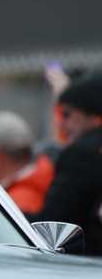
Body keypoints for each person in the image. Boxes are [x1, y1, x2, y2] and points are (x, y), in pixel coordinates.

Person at [36, 72, 102, 255]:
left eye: (66, 114)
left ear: (91, 114)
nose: (61, 124)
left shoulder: (81, 153)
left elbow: (53, 221)